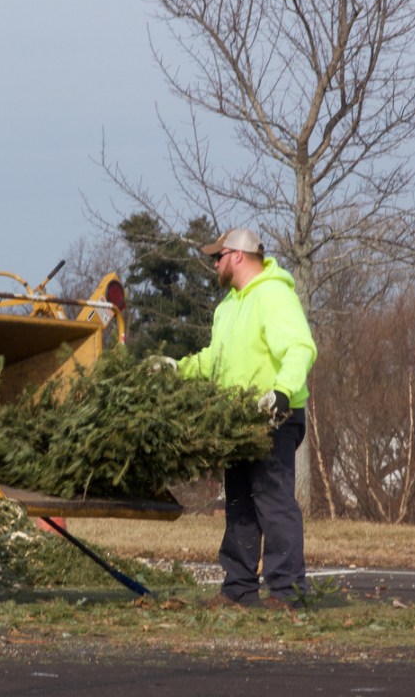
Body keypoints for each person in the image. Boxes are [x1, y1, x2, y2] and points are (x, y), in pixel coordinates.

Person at [177, 227, 317, 610]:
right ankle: (238, 588)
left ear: (237, 255)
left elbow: (300, 347)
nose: (214, 265)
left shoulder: (273, 294)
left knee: (273, 502)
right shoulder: (228, 307)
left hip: (274, 415)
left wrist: (283, 393)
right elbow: (214, 361)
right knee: (239, 503)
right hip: (238, 422)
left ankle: (289, 593)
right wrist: (177, 368)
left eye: (217, 257)